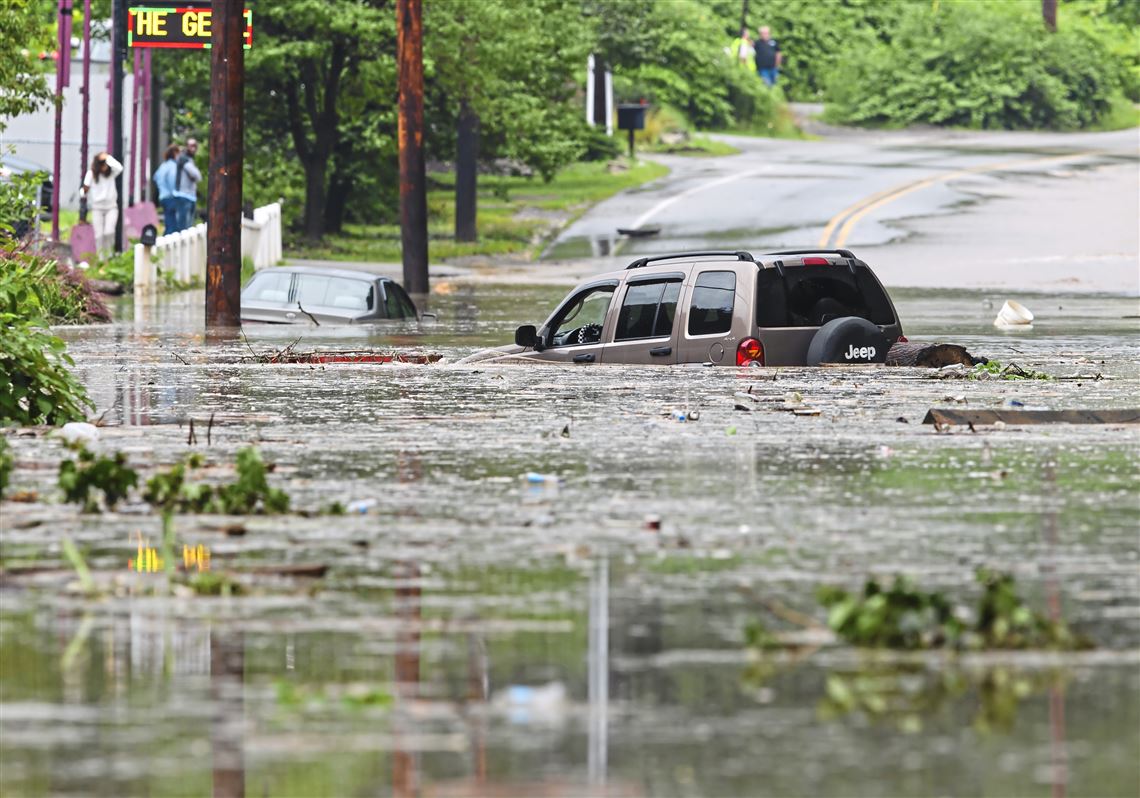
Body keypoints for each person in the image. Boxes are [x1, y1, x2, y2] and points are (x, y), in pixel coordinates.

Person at [80, 152, 124, 255]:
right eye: (102, 164)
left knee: (109, 232)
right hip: (97, 208)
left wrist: (108, 157)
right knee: (99, 235)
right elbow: (84, 190)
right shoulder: (91, 174)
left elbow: (119, 167)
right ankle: (101, 258)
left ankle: (109, 255)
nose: (105, 166)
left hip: (111, 207)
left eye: (106, 164)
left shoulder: (111, 173)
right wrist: (85, 191)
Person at [172, 137, 201, 232]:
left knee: (189, 227)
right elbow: (197, 175)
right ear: (186, 146)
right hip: (184, 196)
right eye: (191, 146)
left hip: (190, 196)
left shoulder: (190, 159)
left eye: (195, 146)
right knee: (184, 228)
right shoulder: (183, 159)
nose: (193, 148)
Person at [153, 143, 181, 233]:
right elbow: (172, 180)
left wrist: (162, 187)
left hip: (163, 196)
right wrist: (175, 192)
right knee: (173, 224)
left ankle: (166, 237)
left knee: (168, 220)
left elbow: (155, 177)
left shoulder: (164, 165)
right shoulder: (173, 166)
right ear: (175, 153)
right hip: (171, 196)